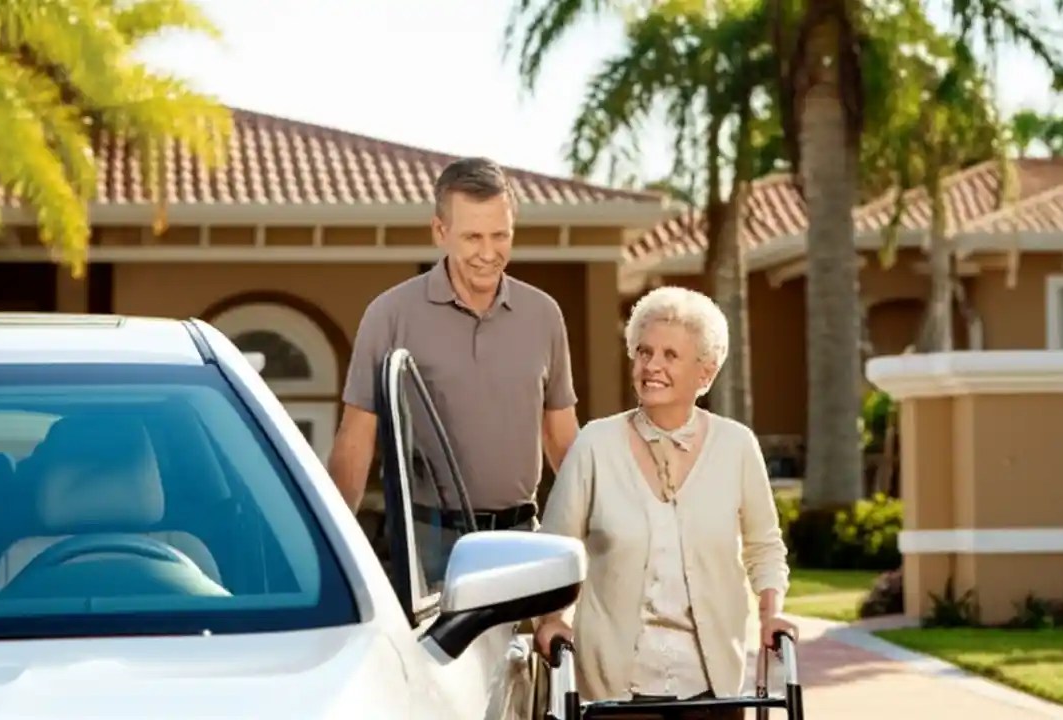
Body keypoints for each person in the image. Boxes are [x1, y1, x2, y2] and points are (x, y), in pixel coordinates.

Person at [532, 285, 795, 717]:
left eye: (670, 355)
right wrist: (552, 621)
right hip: (614, 691)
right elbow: (557, 550)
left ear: (705, 374)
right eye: (643, 352)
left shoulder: (736, 446)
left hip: (713, 688)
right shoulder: (596, 445)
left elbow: (764, 548)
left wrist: (771, 615)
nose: (652, 366)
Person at [328, 157, 580, 563]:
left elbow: (562, 439)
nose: (488, 253)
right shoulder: (390, 315)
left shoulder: (543, 315)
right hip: (429, 548)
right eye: (472, 237)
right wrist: (330, 550)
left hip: (522, 541)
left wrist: (590, 534)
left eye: (501, 236)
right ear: (440, 232)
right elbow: (356, 441)